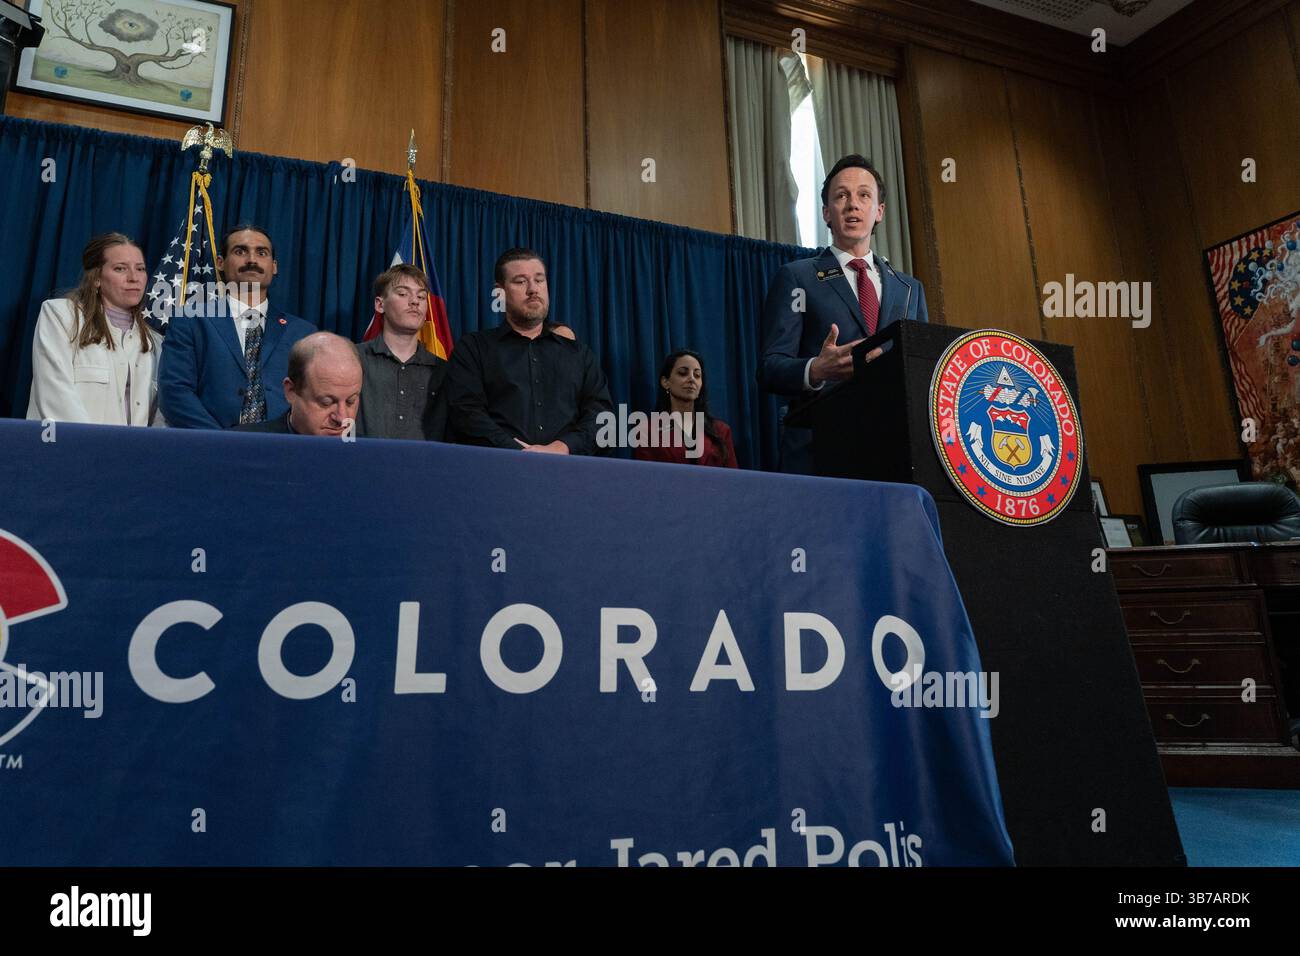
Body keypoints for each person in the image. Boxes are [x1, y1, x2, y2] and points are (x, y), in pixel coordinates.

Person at [759, 153, 929, 473]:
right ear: (826, 212)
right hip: (821, 452)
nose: (853, 204)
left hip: (896, 454)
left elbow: (922, 372)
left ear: (879, 211)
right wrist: (817, 369)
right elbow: (770, 368)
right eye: (841, 196)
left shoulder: (910, 290)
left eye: (864, 195)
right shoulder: (797, 278)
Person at [446, 248, 611, 454]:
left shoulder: (579, 354)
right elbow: (466, 413)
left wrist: (562, 448)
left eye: (539, 280)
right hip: (496, 471)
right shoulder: (474, 349)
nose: (533, 289)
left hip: (568, 475)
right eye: (520, 281)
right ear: (500, 292)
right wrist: (517, 452)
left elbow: (601, 417)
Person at [158, 224, 316, 428]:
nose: (252, 260)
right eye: (240, 251)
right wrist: (223, 443)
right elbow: (174, 392)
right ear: (220, 263)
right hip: (209, 447)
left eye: (262, 252)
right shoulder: (190, 320)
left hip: (282, 450)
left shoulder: (303, 333)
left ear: (274, 266)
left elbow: (311, 397)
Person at [27, 232, 161, 425]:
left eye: (140, 269)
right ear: (96, 278)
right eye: (120, 268)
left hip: (133, 453)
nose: (134, 278)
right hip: (69, 449)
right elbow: (55, 395)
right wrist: (93, 448)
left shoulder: (154, 341)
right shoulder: (60, 315)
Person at [355, 264, 447, 440]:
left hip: (425, 465)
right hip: (364, 463)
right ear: (380, 305)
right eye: (403, 294)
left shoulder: (443, 370)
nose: (415, 301)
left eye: (421, 296)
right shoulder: (354, 358)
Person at [233, 332, 361, 436]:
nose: (343, 418)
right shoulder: (244, 445)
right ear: (291, 391)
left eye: (350, 401)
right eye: (326, 402)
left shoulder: (367, 456)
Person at [635, 349, 737, 468]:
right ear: (665, 382)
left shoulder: (721, 431)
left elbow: (732, 480)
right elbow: (645, 479)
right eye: (683, 373)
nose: (691, 379)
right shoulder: (646, 431)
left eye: (697, 375)